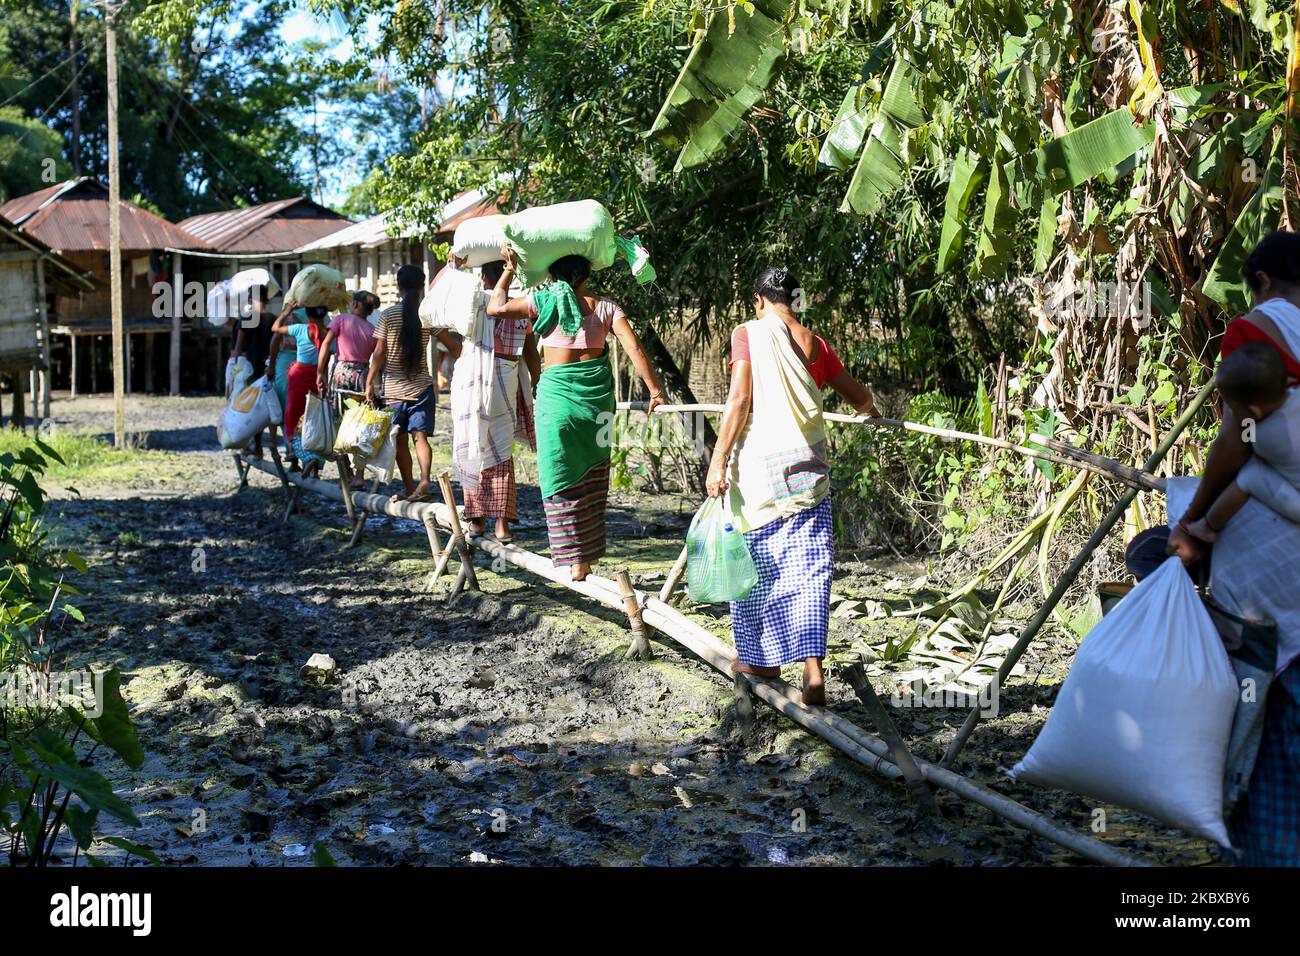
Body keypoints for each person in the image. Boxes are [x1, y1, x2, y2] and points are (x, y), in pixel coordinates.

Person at [1166, 230, 1300, 866]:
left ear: (1265, 283)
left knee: (1262, 697)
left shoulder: (1257, 334)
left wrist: (1192, 520)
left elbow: (1236, 442)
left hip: (1270, 570)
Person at [704, 267, 879, 705]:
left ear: (759, 300)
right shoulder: (816, 344)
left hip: (763, 467)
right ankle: (813, 672)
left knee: (762, 563)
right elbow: (857, 396)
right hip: (808, 466)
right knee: (809, 569)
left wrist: (719, 458)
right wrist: (868, 407)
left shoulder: (748, 333)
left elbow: (740, 399)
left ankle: (761, 662)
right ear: (793, 299)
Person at [487, 248, 666, 581]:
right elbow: (635, 348)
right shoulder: (608, 308)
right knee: (592, 478)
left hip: (557, 403)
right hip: (595, 405)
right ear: (586, 277)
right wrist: (656, 392)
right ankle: (586, 557)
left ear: (553, 275)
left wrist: (509, 270)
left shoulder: (542, 302)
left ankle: (574, 560)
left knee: (559, 477)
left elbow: (494, 307)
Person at [440, 257, 540, 543]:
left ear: (484, 278)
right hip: (505, 381)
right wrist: (537, 380)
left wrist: (452, 268)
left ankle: (476, 520)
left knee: (474, 446)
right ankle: (502, 526)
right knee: (501, 453)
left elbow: (435, 314)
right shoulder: (518, 306)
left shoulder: (473, 303)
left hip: (472, 381)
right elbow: (531, 350)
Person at [1183, 343, 1300, 542]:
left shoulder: (1262, 437)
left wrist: (1243, 422)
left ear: (1254, 411)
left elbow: (1243, 449)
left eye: (1234, 411)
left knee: (1250, 474)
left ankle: (1208, 526)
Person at [366, 264, 460, 502]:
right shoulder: (426, 315)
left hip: (394, 392)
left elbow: (379, 353)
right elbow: (453, 346)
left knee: (400, 440)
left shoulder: (387, 315)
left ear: (398, 287)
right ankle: (425, 481)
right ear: (421, 287)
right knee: (420, 437)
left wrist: (369, 383)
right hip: (422, 387)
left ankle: (409, 488)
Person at [316, 290, 381, 489]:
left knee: (339, 423)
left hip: (341, 374)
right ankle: (360, 475)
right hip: (362, 376)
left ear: (356, 304)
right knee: (359, 424)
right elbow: (377, 358)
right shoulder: (372, 330)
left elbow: (326, 345)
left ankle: (348, 475)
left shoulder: (341, 320)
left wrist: (320, 372)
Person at [270, 300, 327, 472]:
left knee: (292, 415)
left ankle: (298, 453)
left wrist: (287, 311)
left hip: (299, 376)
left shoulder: (300, 328)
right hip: (316, 377)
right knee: (313, 418)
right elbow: (329, 354)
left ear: (307, 316)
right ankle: (314, 460)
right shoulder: (327, 332)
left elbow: (275, 329)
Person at [230, 284, 274, 459]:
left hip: (251, 369)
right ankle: (272, 443)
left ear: (250, 299)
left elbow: (238, 348)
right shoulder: (274, 319)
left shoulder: (247, 318)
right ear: (267, 299)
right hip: (271, 368)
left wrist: (232, 368)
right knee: (272, 407)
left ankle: (256, 447)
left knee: (252, 408)